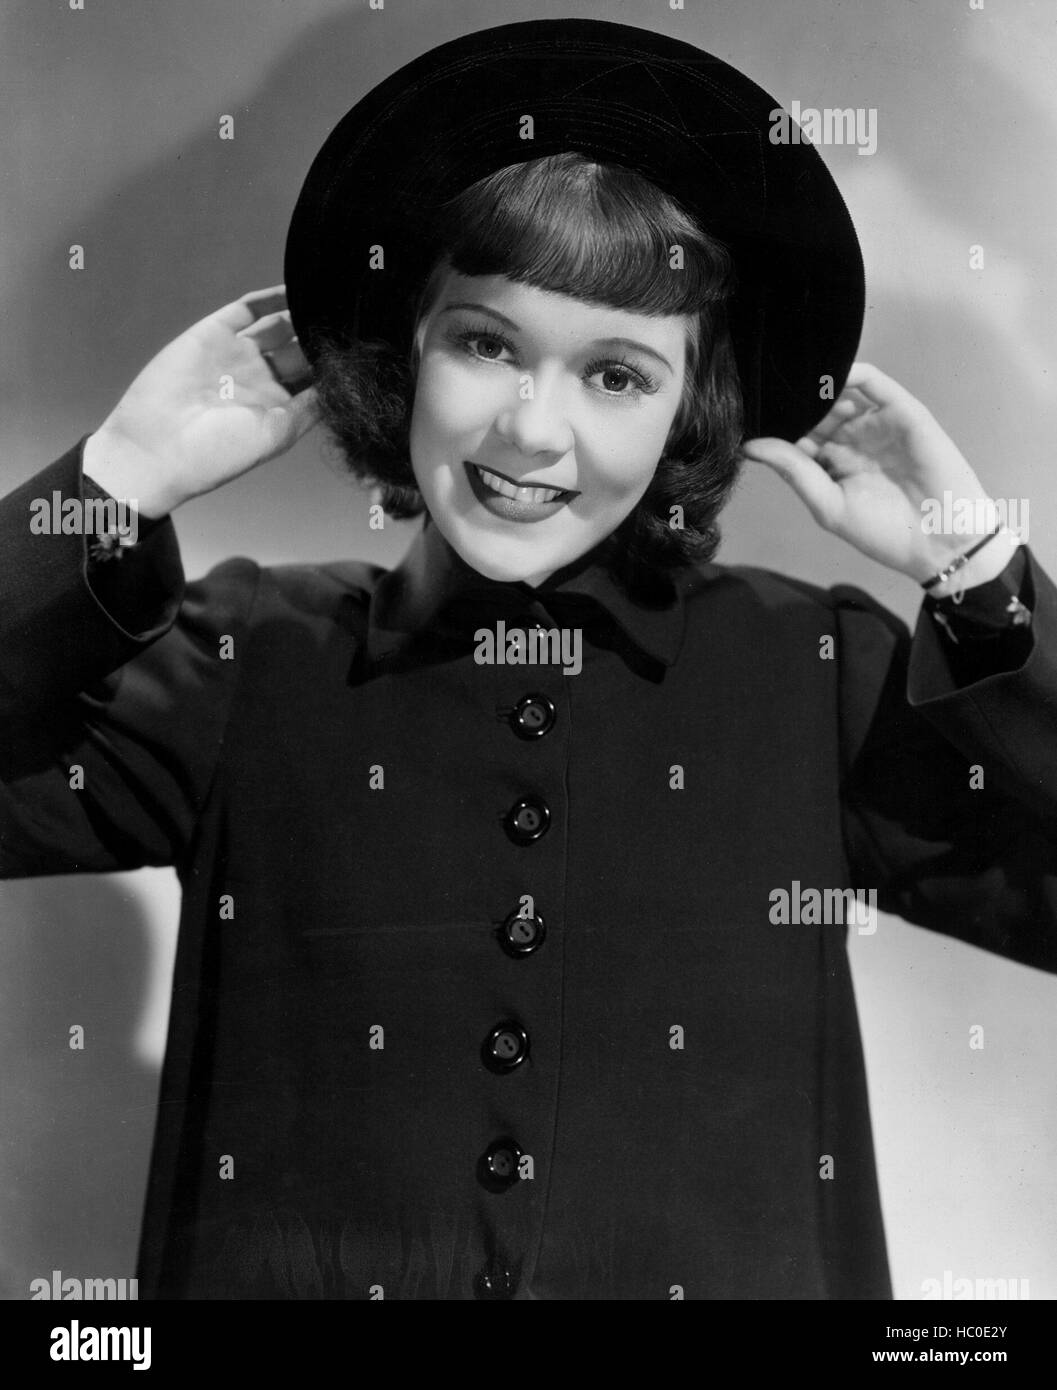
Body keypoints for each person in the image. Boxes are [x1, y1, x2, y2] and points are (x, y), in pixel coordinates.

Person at [2, 18, 1054, 1301]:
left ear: (691, 406)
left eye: (615, 374)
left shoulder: (812, 676)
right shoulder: (246, 665)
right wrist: (112, 484)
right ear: (408, 348)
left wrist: (981, 571)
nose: (530, 429)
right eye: (485, 343)